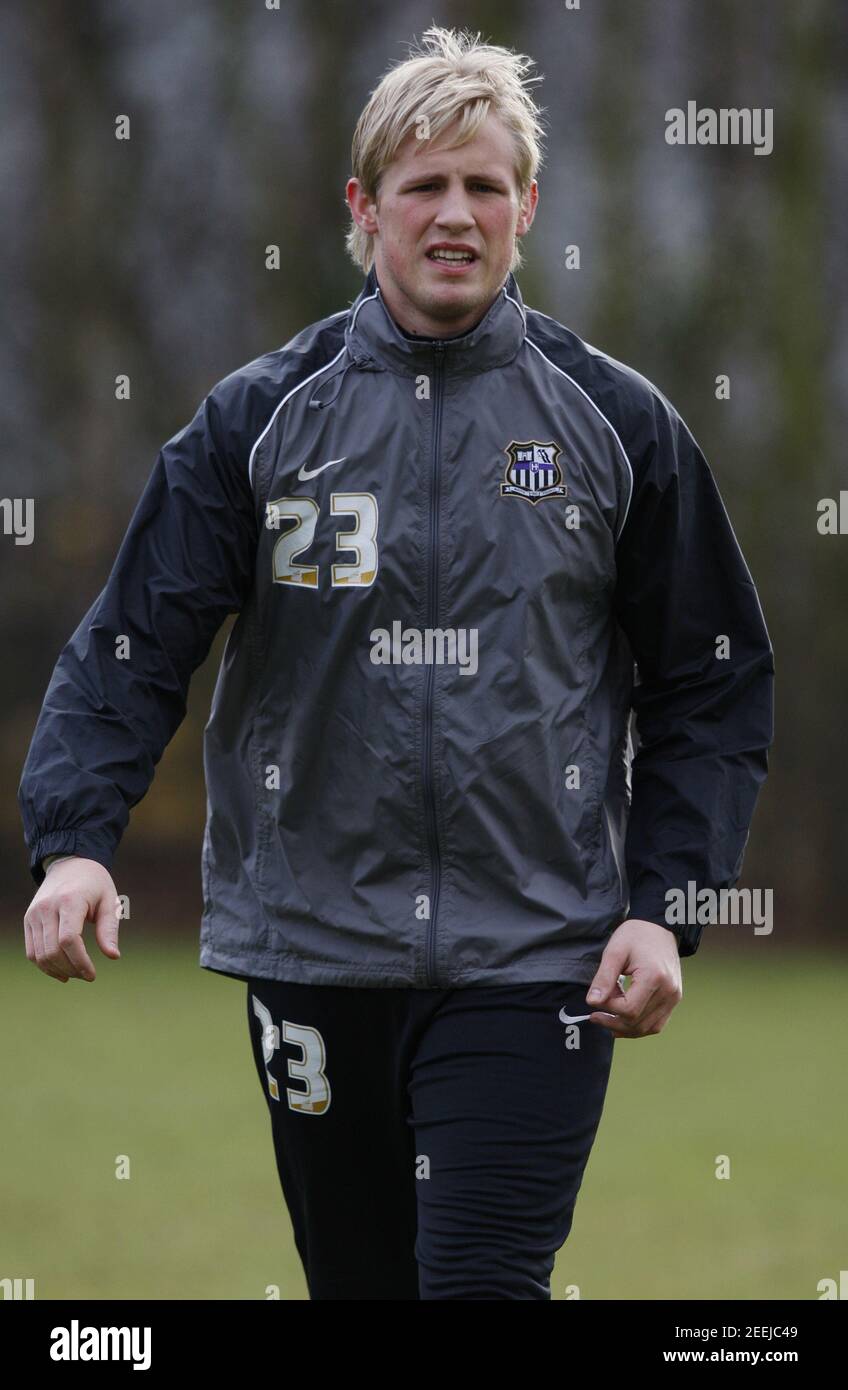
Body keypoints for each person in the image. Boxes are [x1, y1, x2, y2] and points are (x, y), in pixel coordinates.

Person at [18, 26, 774, 1300]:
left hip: (536, 956)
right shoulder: (258, 420)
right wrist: (78, 835)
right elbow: (134, 643)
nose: (455, 215)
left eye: (484, 186)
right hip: (310, 951)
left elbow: (710, 678)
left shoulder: (617, 425)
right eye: (423, 186)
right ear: (362, 210)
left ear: (527, 208)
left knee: (480, 1285)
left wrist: (666, 901)